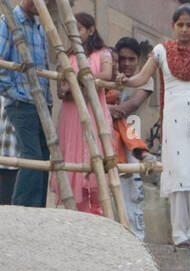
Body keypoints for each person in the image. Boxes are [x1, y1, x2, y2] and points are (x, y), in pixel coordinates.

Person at [120, 4, 190, 248]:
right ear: (173, 26)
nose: (184, 29)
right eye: (180, 25)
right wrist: (125, 80)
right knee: (179, 175)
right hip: (174, 119)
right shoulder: (161, 51)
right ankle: (181, 237)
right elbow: (142, 78)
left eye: (189, 25)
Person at [50, 12, 113, 215]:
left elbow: (106, 75)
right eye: (72, 29)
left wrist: (80, 78)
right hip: (71, 114)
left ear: (91, 29)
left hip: (93, 112)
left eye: (79, 28)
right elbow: (61, 90)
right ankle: (73, 211)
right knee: (71, 157)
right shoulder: (66, 57)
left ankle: (95, 210)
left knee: (93, 155)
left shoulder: (102, 53)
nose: (74, 33)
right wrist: (72, 85)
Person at [0, 1, 50, 207]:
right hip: (22, 102)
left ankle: (37, 208)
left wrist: (48, 102)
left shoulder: (40, 29)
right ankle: (22, 208)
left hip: (41, 105)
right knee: (32, 154)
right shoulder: (9, 22)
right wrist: (16, 93)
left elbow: (45, 70)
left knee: (45, 156)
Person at [110, 37, 153, 240]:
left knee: (133, 195)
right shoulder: (110, 79)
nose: (126, 63)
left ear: (139, 60)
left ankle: (136, 240)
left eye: (131, 59)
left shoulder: (146, 80)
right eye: (123, 59)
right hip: (110, 142)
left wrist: (104, 108)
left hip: (134, 144)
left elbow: (130, 107)